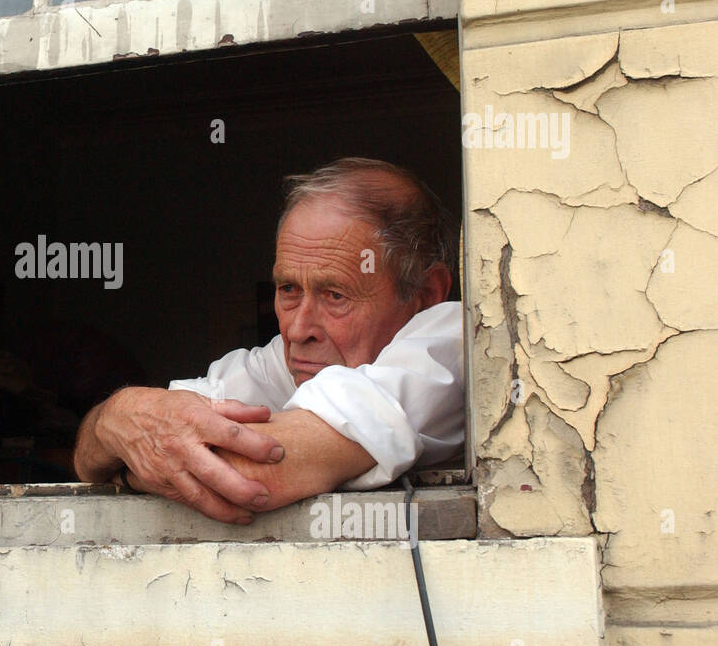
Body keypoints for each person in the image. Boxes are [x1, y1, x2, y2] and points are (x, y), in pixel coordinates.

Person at [72, 157, 463, 524]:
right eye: (289, 289)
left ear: (426, 294)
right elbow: (107, 448)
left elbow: (246, 474)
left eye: (335, 295)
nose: (296, 330)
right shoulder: (292, 358)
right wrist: (115, 416)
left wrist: (132, 450)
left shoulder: (459, 341)